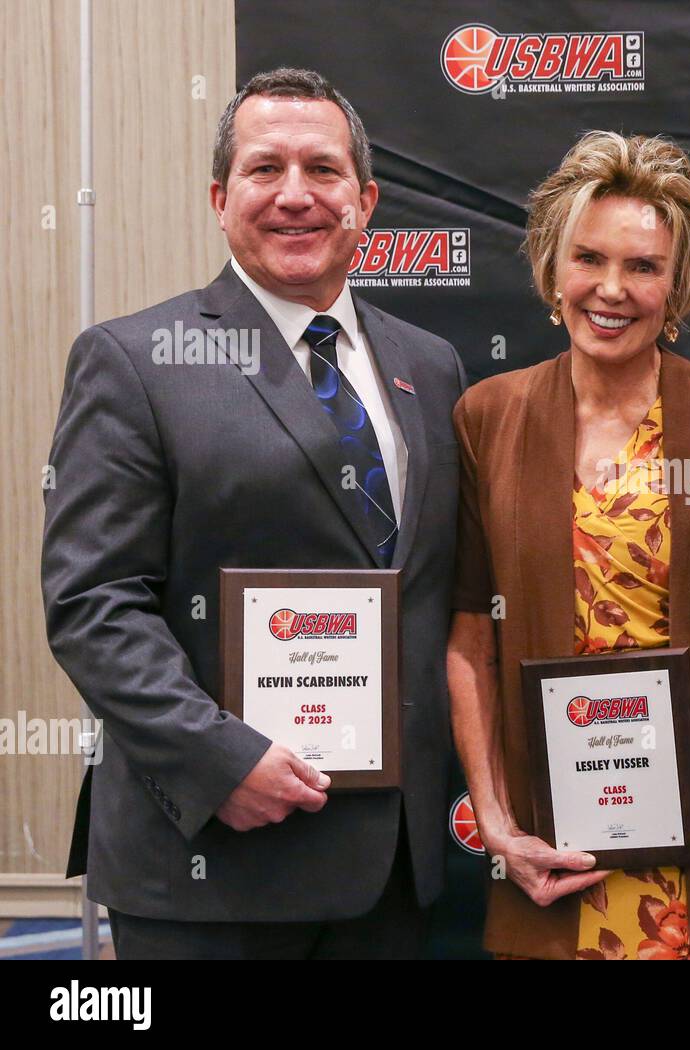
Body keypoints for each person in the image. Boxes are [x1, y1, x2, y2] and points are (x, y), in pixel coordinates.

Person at [41, 67, 465, 959]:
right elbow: (94, 602)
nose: (296, 195)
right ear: (219, 196)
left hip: (390, 867)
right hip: (211, 866)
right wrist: (219, 759)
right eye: (265, 169)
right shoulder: (135, 360)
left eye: (323, 169)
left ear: (367, 199)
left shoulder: (431, 367)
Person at [447, 131, 690, 960]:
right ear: (552, 272)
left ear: (679, 287)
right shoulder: (487, 417)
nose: (611, 288)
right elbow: (468, 638)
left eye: (643, 266)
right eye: (588, 259)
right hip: (548, 844)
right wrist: (494, 823)